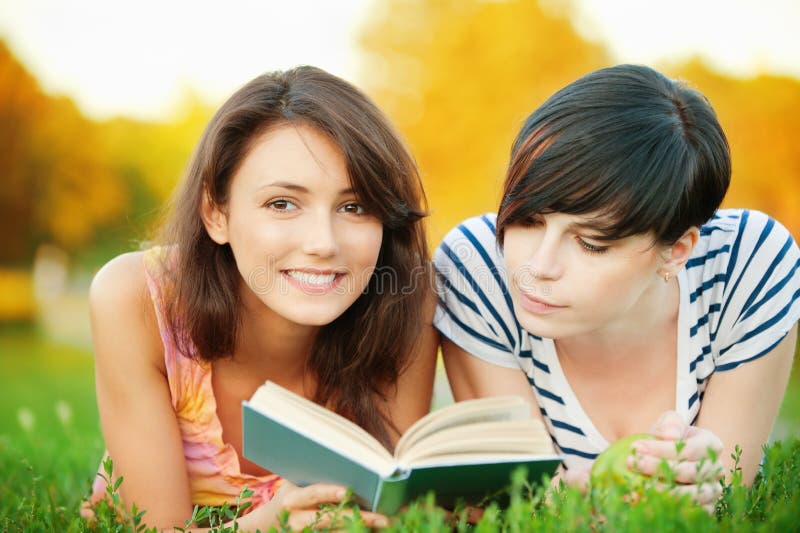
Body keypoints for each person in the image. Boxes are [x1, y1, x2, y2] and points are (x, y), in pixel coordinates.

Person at [83, 66, 438, 531]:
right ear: (216, 213)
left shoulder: (405, 299)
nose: (323, 243)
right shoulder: (137, 300)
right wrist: (274, 523)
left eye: (354, 207)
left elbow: (386, 511)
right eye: (282, 204)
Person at [434, 64, 799, 510]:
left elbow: (729, 493)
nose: (537, 267)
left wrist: (707, 485)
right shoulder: (477, 267)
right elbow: (524, 499)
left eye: (591, 243)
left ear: (678, 250)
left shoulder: (749, 260)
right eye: (527, 220)